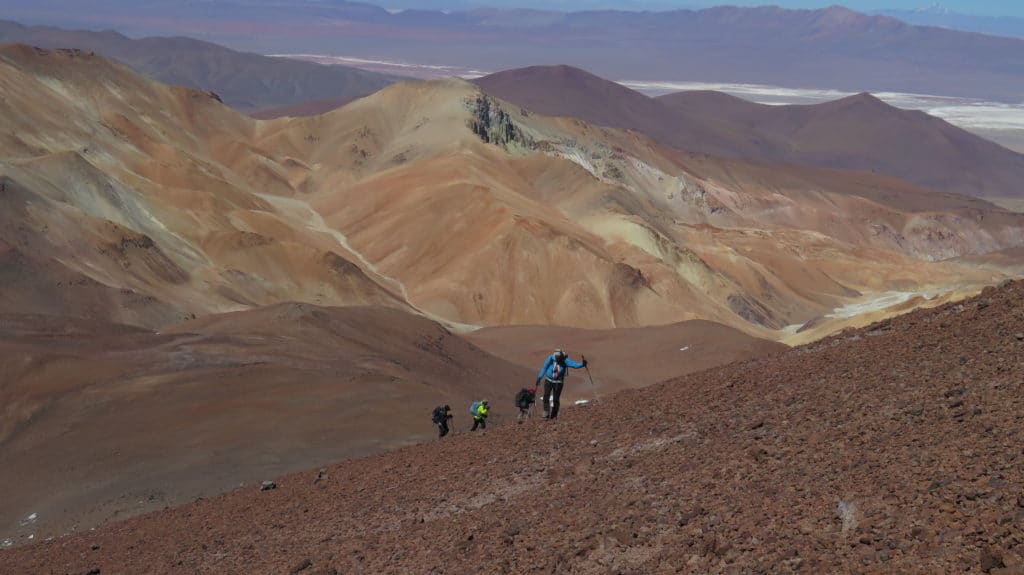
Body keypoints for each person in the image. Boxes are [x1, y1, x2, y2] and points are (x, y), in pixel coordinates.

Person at [536, 348, 586, 419]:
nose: (557, 359)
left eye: (558, 358)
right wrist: (539, 377)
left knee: (555, 399)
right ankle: (546, 412)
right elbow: (544, 368)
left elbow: (574, 365)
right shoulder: (550, 358)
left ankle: (554, 415)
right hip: (548, 380)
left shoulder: (565, 360)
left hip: (558, 382)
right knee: (546, 396)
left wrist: (582, 364)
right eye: (556, 357)